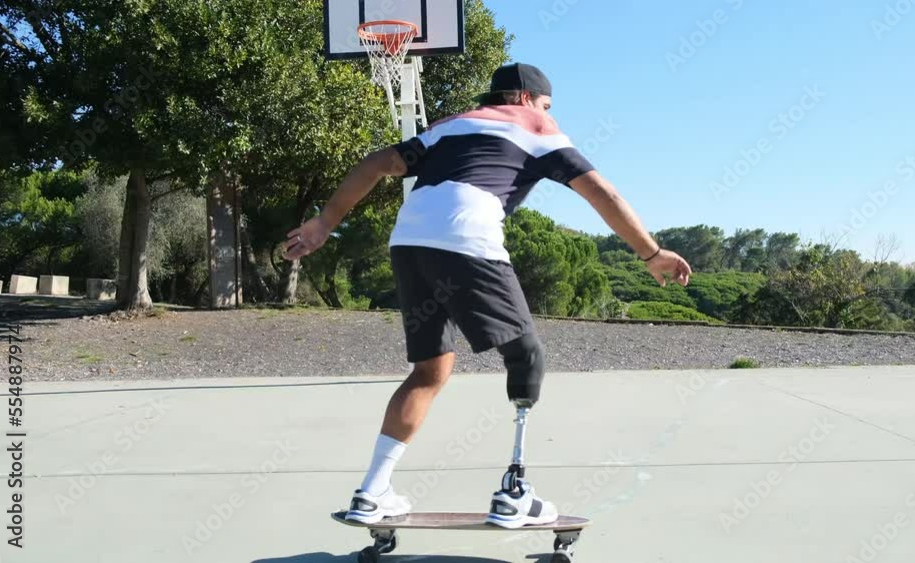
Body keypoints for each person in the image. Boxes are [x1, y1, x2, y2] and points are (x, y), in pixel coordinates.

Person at [282, 62, 691, 528]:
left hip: (410, 239)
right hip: (465, 233)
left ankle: (373, 492)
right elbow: (602, 193)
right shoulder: (537, 125)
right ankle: (515, 493)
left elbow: (378, 164)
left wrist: (325, 223)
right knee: (526, 356)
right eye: (546, 104)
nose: (549, 114)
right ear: (524, 98)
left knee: (430, 370)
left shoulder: (448, 125)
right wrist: (651, 253)